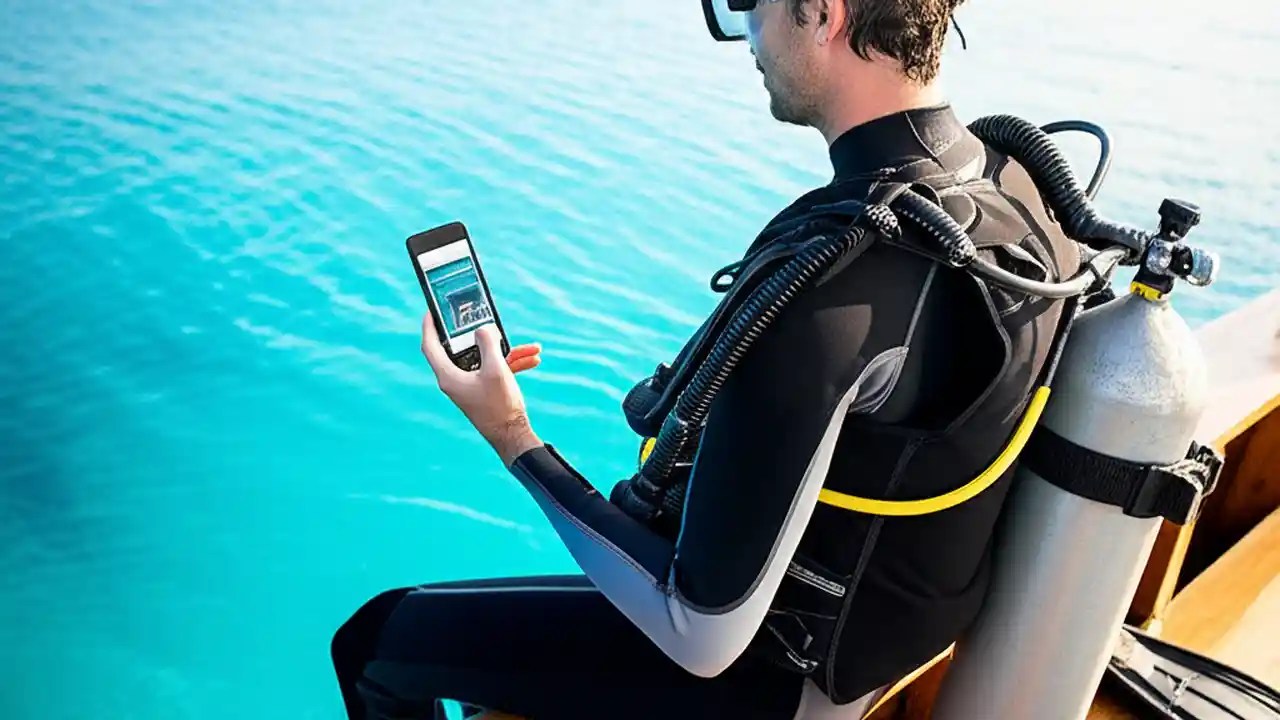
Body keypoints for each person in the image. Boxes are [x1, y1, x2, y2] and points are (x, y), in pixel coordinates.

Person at [332, 0, 1081, 718]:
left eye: (747, 2)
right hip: (887, 644)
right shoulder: (1021, 185)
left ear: (822, 12)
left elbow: (702, 635)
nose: (746, 34)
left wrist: (510, 434)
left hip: (774, 683)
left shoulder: (828, 295)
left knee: (373, 640)